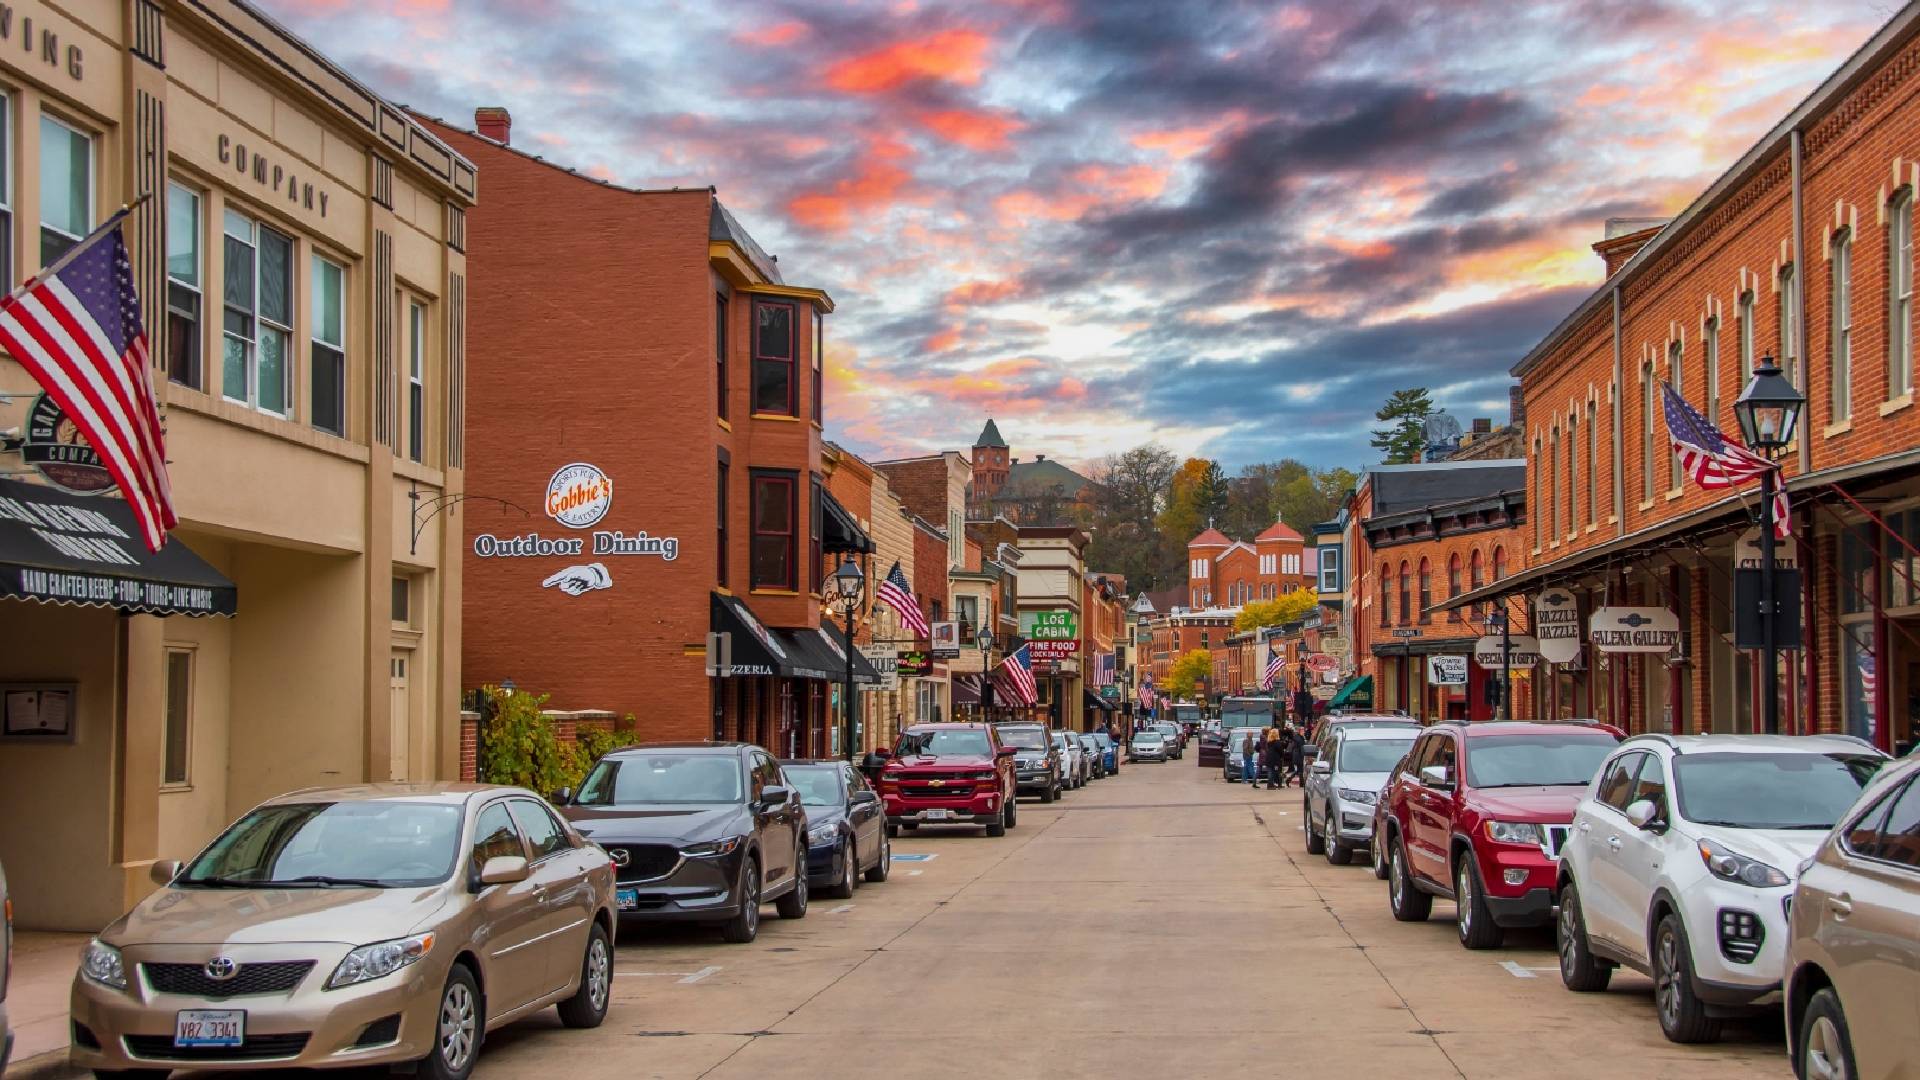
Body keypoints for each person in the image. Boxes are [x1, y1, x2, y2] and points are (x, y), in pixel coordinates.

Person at [1262, 725, 1287, 790]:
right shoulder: (1277, 742)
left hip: (1269, 758)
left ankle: (1270, 784)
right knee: (1274, 771)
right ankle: (1271, 784)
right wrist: (1282, 755)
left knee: (1270, 771)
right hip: (1275, 759)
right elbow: (1280, 750)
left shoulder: (1269, 741)